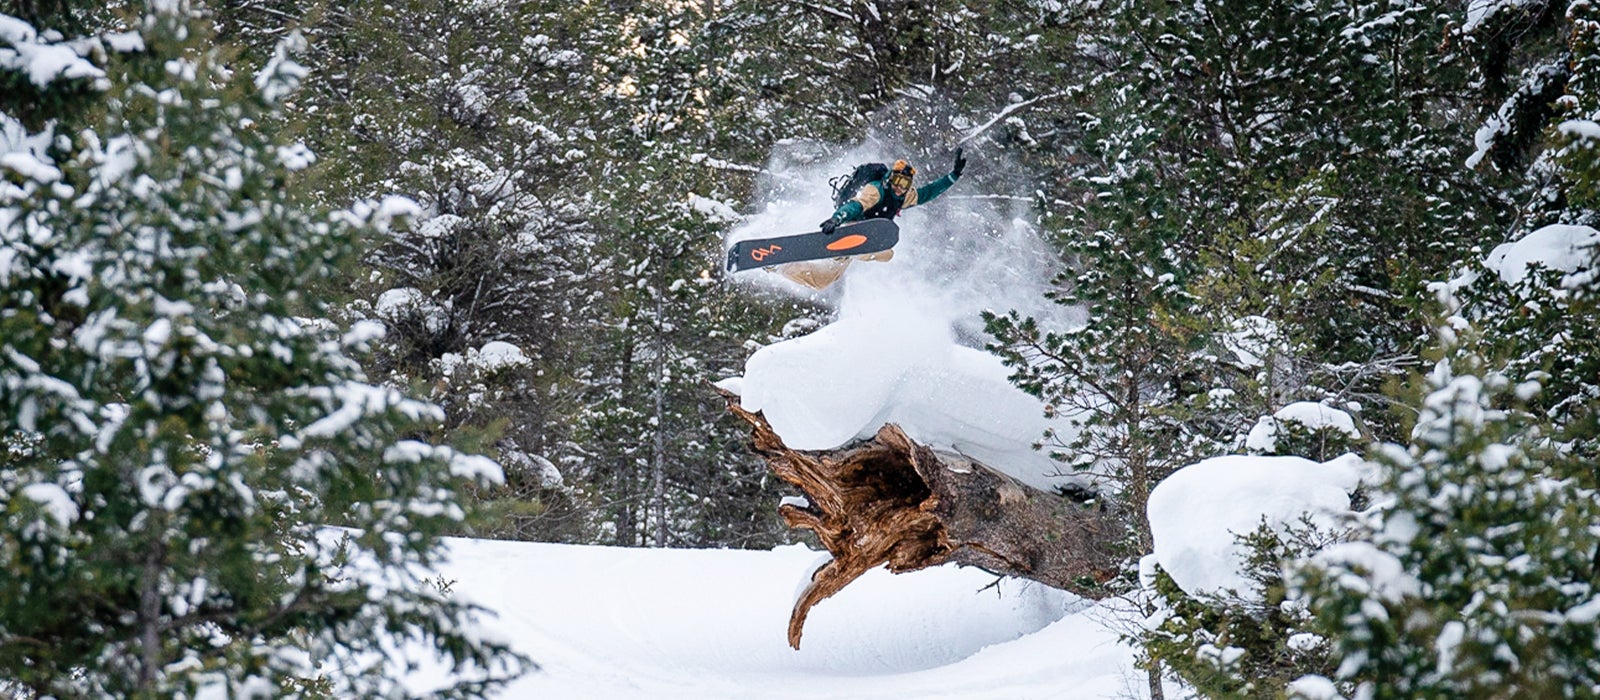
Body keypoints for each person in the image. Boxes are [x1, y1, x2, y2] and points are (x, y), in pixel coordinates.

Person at [819, 148, 966, 234]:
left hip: (870, 234)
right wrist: (837, 218)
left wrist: (954, 175)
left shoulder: (904, 197)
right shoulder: (877, 190)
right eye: (898, 181)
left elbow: (930, 191)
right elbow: (856, 204)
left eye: (905, 184)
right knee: (829, 275)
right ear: (890, 179)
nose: (900, 187)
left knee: (887, 254)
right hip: (853, 223)